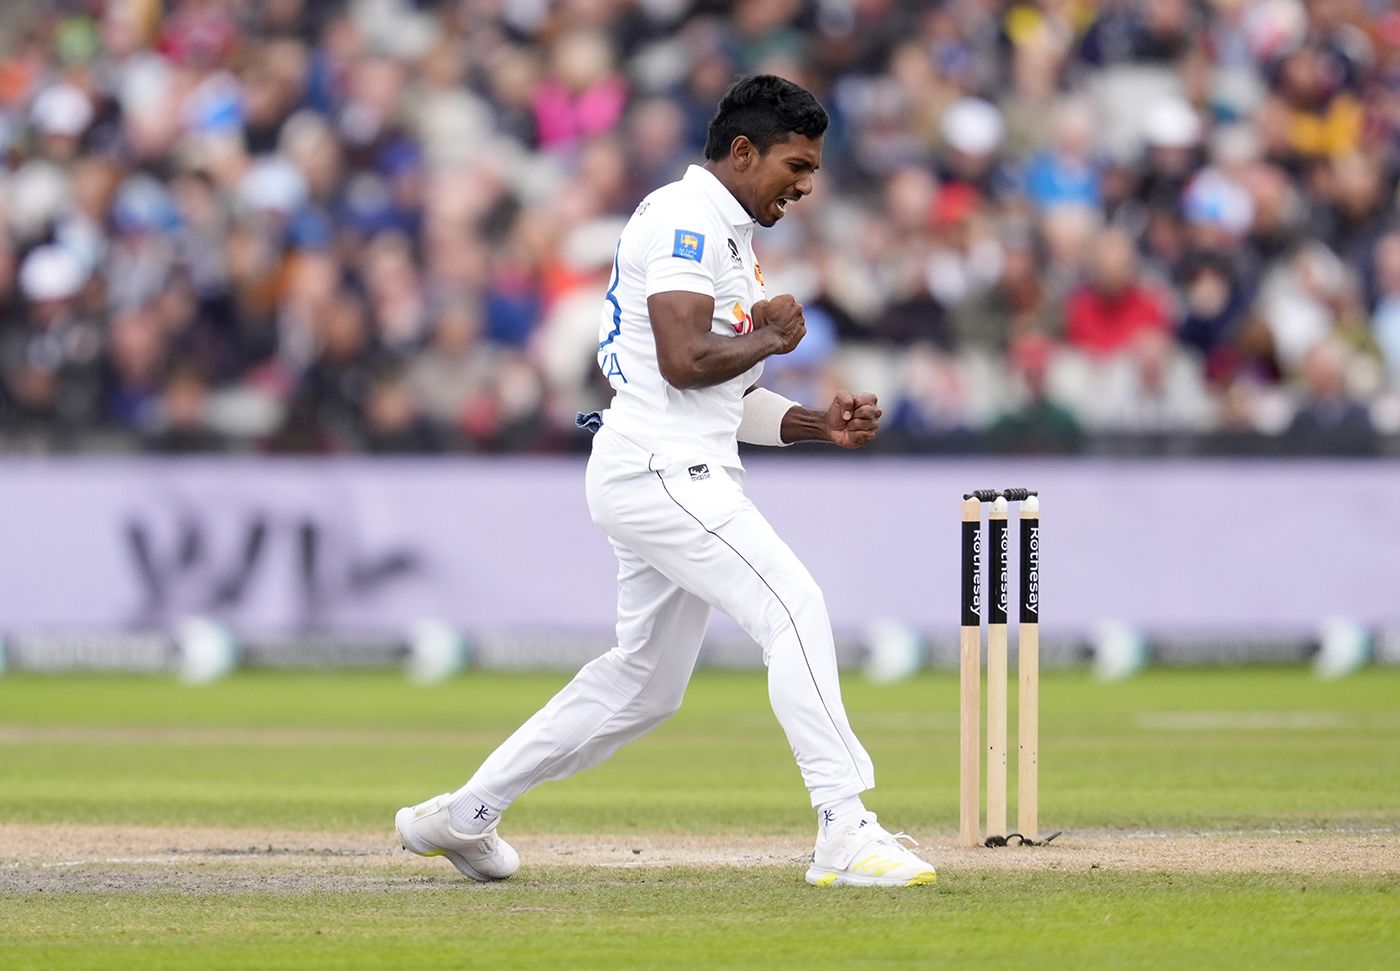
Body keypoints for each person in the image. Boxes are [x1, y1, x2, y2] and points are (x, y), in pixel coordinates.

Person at [395, 75, 937, 889]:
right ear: (743, 151)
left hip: (663, 462)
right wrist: (772, 339)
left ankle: (465, 813)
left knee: (644, 684)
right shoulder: (687, 218)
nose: (805, 186)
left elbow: (726, 399)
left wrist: (819, 423)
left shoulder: (728, 237)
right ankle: (844, 826)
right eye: (796, 165)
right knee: (792, 605)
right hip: (662, 465)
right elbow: (686, 361)